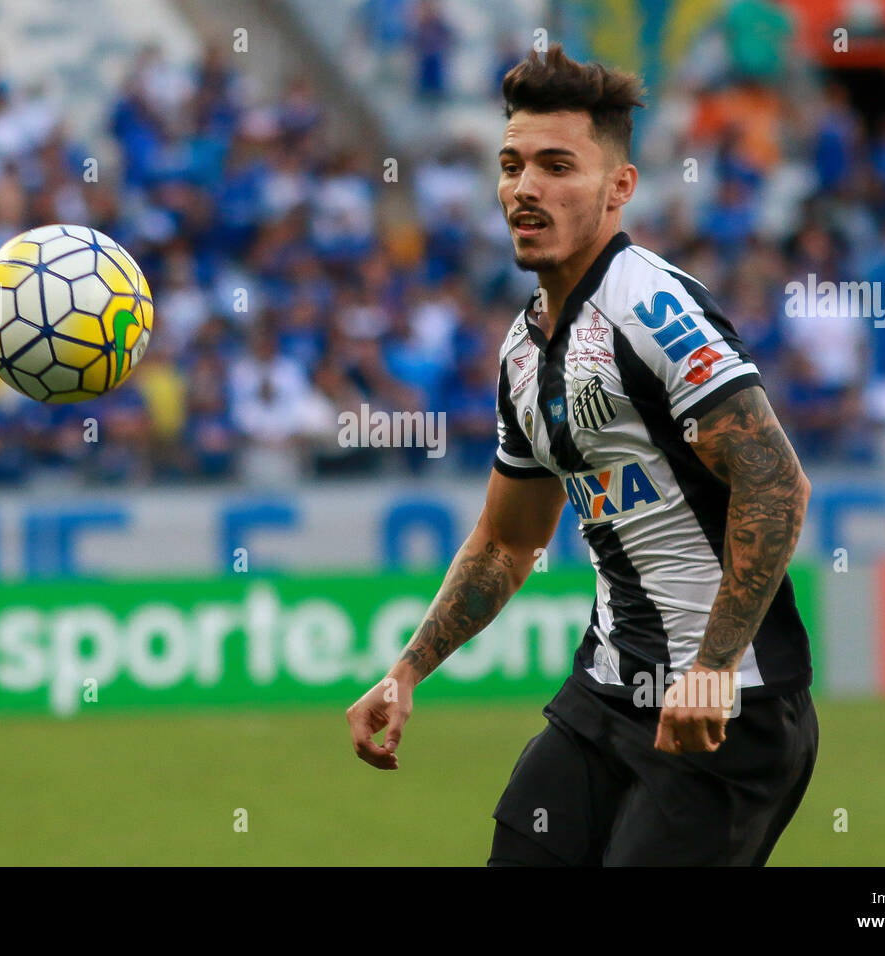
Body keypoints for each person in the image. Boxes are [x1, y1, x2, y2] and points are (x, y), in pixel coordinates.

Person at [346, 45, 818, 866]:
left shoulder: (652, 307)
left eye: (558, 165)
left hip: (723, 713)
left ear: (618, 187)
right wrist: (408, 669)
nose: (526, 187)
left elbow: (775, 484)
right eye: (511, 164)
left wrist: (711, 665)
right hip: (604, 700)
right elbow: (507, 541)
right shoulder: (522, 352)